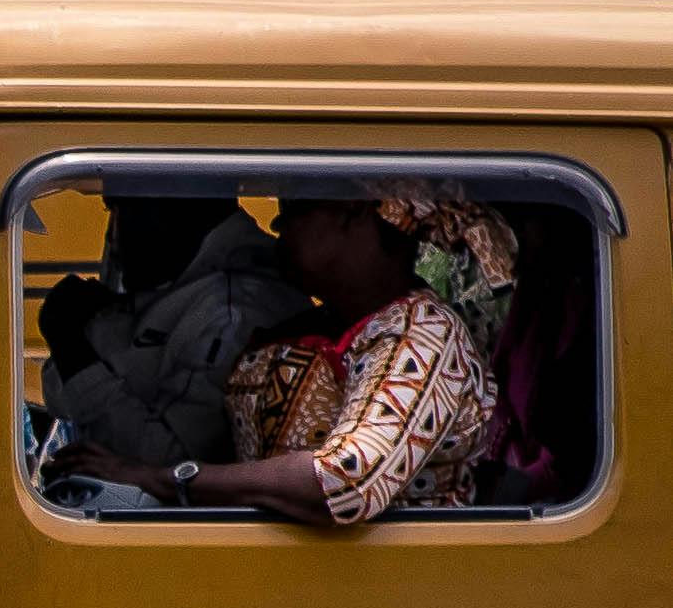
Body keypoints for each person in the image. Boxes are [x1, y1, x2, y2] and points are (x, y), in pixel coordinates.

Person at [67, 176, 516, 525]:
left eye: (293, 209)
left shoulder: (421, 336)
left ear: (353, 212)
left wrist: (166, 480)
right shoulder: (304, 327)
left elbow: (339, 480)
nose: (277, 226)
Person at [39, 190, 315, 471]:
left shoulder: (233, 311)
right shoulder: (177, 289)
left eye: (120, 211)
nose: (114, 240)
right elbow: (61, 398)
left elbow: (178, 468)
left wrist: (70, 343)